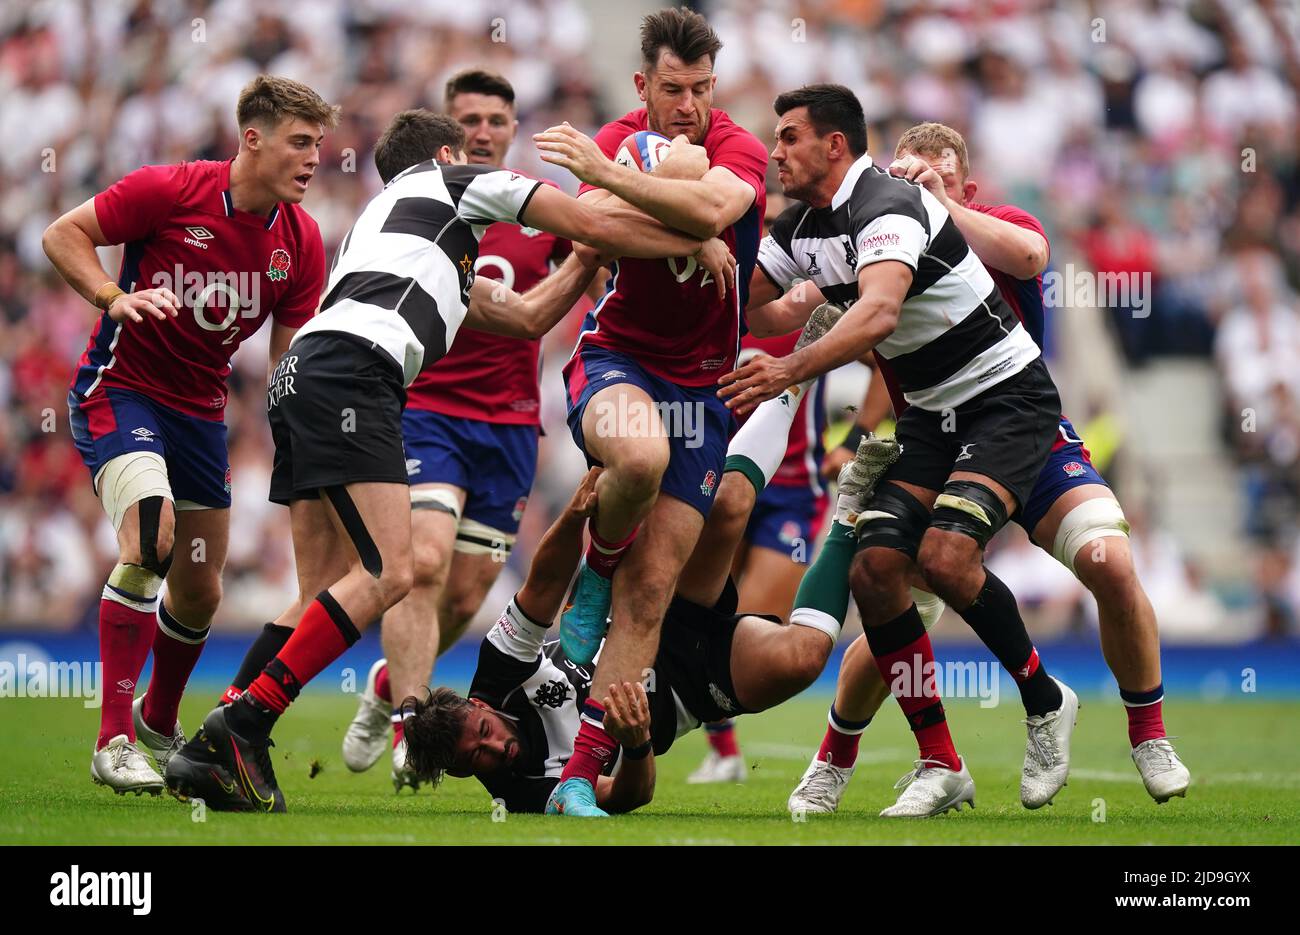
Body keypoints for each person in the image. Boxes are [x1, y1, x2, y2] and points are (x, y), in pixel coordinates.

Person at [163, 109, 735, 813]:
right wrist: (695, 232)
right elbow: (587, 221)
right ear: (446, 152)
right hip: (355, 374)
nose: (486, 149)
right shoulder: (456, 180)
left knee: (323, 594)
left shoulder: (406, 233)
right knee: (392, 573)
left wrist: (587, 261)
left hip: (304, 376)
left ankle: (208, 742)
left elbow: (527, 317)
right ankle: (243, 724)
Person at [787, 122, 1190, 814]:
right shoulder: (879, 244)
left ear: (964, 185)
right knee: (889, 588)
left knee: (1110, 561)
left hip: (1020, 429)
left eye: (933, 174)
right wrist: (857, 435)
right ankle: (840, 757)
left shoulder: (996, 221)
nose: (913, 183)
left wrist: (940, 207)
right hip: (939, 442)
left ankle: (1148, 733)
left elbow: (1032, 255)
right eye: (903, 171)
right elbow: (895, 354)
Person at [730, 84, 1077, 816]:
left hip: (1006, 398)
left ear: (835, 145)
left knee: (946, 558)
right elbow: (743, 296)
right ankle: (941, 761)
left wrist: (788, 369)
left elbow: (879, 310)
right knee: (876, 568)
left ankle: (1046, 700)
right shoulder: (801, 229)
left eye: (789, 136)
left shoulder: (887, 204)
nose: (775, 150)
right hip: (932, 417)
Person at [400, 328, 899, 814]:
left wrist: (572, 521)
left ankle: (793, 380)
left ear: (480, 708)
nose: (494, 751)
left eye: (485, 735)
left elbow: (545, 585)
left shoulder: (498, 673)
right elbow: (628, 796)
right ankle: (851, 508)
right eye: (476, 760)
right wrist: (637, 746)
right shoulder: (523, 790)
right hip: (687, 687)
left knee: (727, 504)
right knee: (805, 659)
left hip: (651, 611)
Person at [43, 75, 337, 795]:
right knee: (151, 536)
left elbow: (287, 362)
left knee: (201, 589)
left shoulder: (300, 242)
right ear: (252, 139)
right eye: (300, 143)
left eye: (319, 146)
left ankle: (157, 719)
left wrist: (305, 438)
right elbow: (63, 234)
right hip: (123, 390)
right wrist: (115, 297)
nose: (313, 159)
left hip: (201, 415)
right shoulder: (169, 190)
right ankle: (111, 738)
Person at [529, 6, 770, 816]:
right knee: (637, 458)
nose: (691, 105)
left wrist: (660, 206)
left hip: (703, 388)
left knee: (654, 591)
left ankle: (575, 779)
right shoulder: (621, 132)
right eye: (674, 89)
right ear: (644, 84)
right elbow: (592, 232)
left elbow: (700, 208)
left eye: (703, 88)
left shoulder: (740, 148)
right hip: (618, 360)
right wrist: (683, 222)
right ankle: (592, 571)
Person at [340, 70, 591, 793]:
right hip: (430, 410)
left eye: (496, 119)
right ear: (447, 141)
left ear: (514, 129)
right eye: (468, 121)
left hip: (510, 423)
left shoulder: (538, 212)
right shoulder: (418, 207)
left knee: (465, 592)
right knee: (422, 558)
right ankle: (409, 720)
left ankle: (388, 682)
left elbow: (589, 274)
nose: (483, 131)